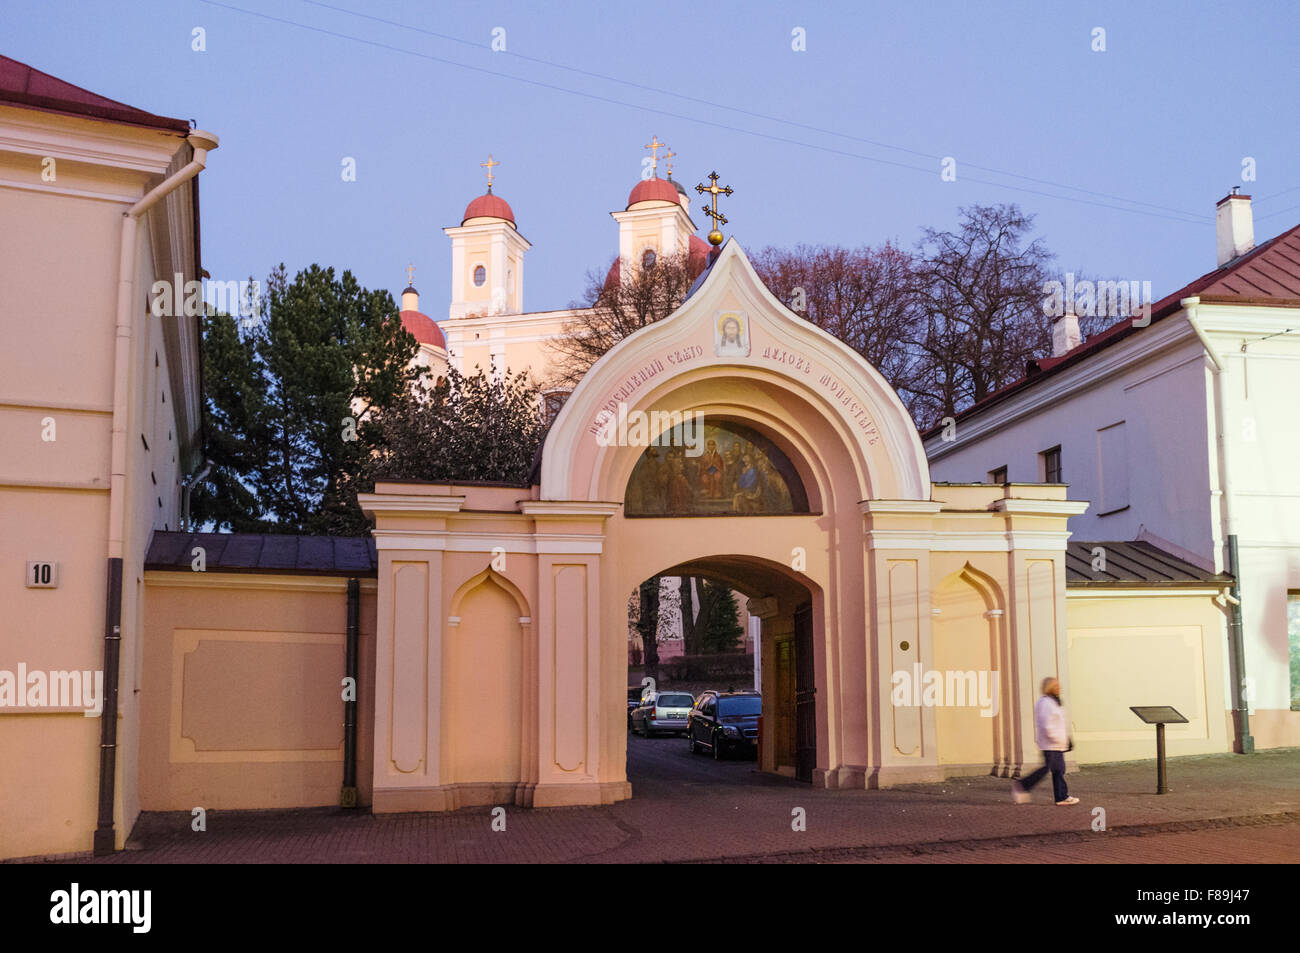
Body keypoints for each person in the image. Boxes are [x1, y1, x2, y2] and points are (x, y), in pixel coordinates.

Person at [1012, 676, 1078, 805]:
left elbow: (1058, 723)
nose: (1059, 688)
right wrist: (1057, 738)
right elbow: (1046, 725)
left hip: (1057, 744)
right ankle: (1023, 785)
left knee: (1059, 770)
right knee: (1047, 768)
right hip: (1052, 744)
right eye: (1056, 686)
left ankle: (1061, 797)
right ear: (1050, 688)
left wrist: (1065, 739)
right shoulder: (1046, 703)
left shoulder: (1053, 702)